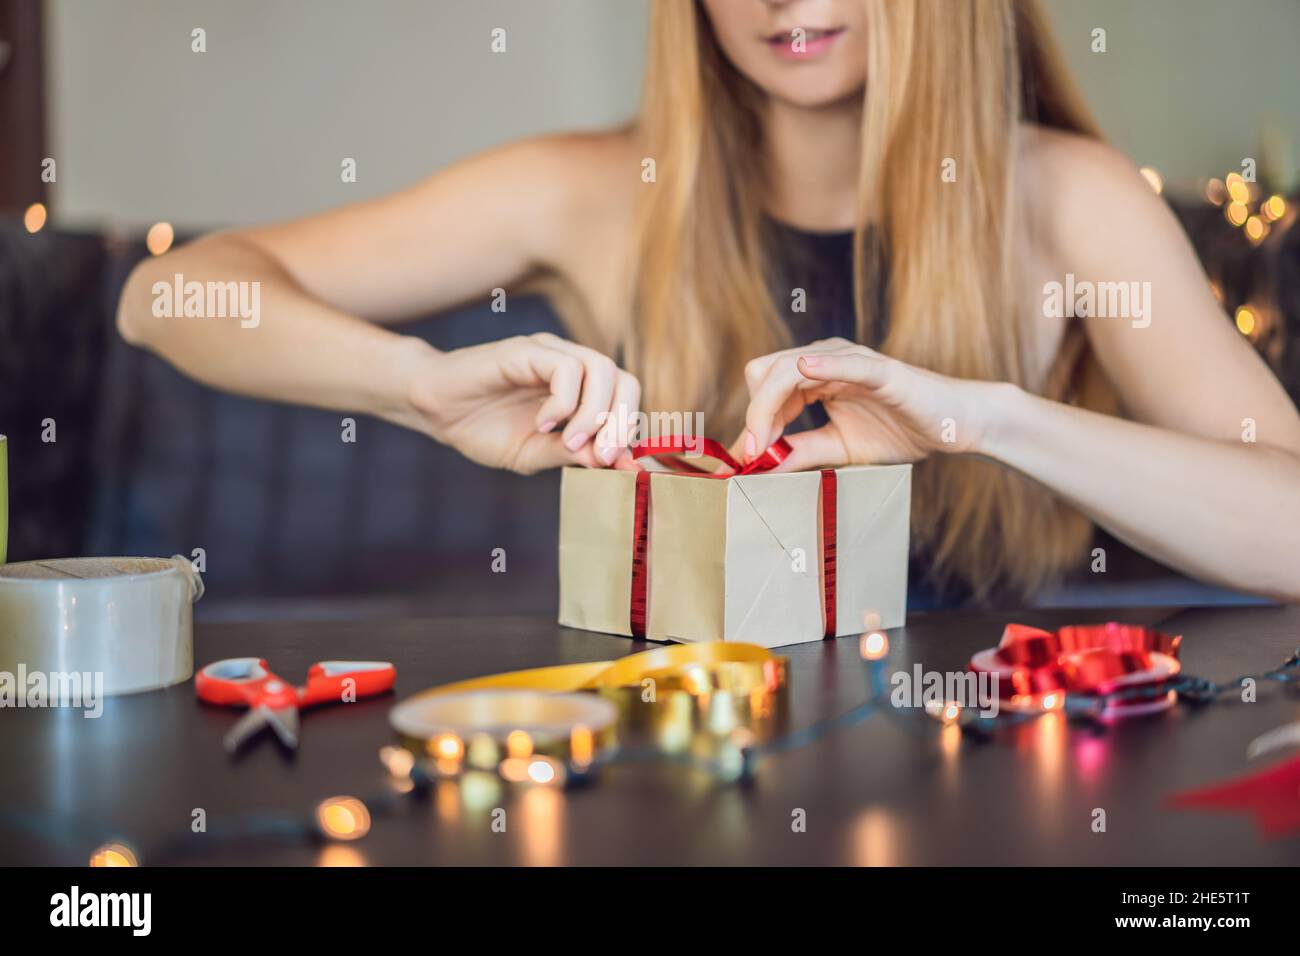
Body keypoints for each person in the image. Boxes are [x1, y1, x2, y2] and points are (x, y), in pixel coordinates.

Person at [116, 0, 1300, 606]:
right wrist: (416, 387)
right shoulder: (585, 192)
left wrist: (985, 418)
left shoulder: (1065, 200)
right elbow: (167, 296)